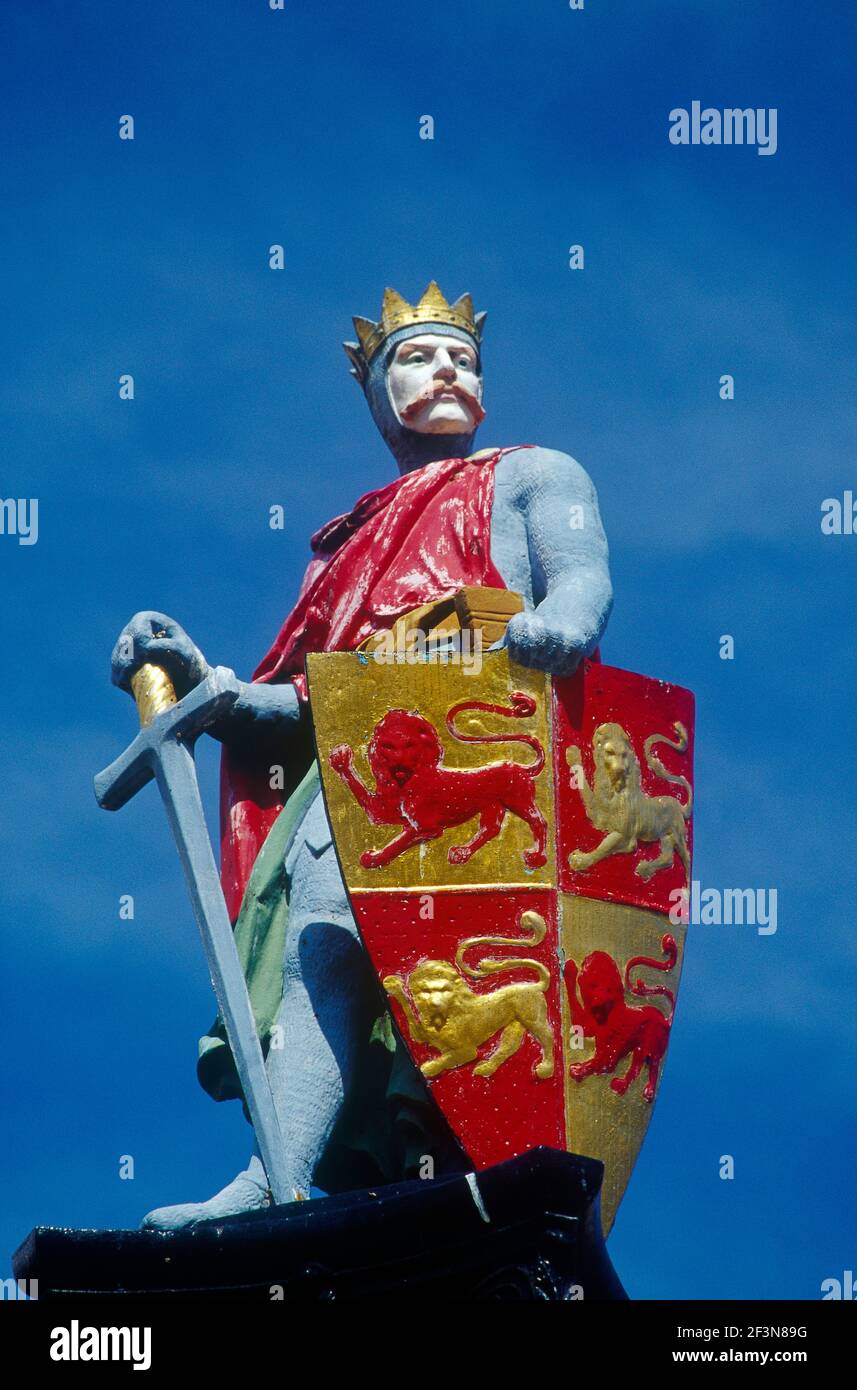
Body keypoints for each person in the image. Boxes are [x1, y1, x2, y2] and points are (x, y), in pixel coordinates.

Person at [112, 282, 613, 1227]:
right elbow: (306, 702)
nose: (447, 372)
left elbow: (581, 577)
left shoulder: (537, 473)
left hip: (486, 725)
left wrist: (558, 628)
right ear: (380, 395)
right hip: (360, 767)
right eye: (418, 360)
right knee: (324, 951)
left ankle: (478, 1159)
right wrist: (204, 684)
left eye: (462, 359)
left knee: (475, 967)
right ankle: (278, 1175)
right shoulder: (342, 545)